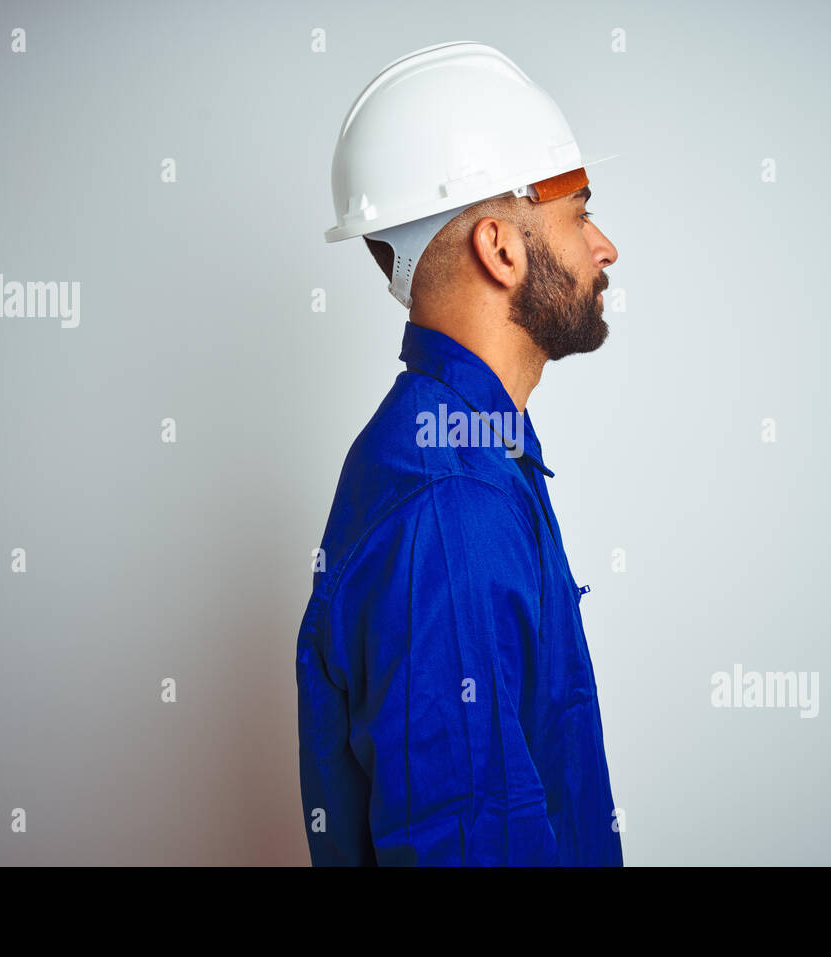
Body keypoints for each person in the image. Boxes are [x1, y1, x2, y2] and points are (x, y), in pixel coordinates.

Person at [296, 41, 622, 866]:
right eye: (579, 213)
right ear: (501, 249)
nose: (604, 246)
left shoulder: (467, 451)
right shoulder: (448, 509)